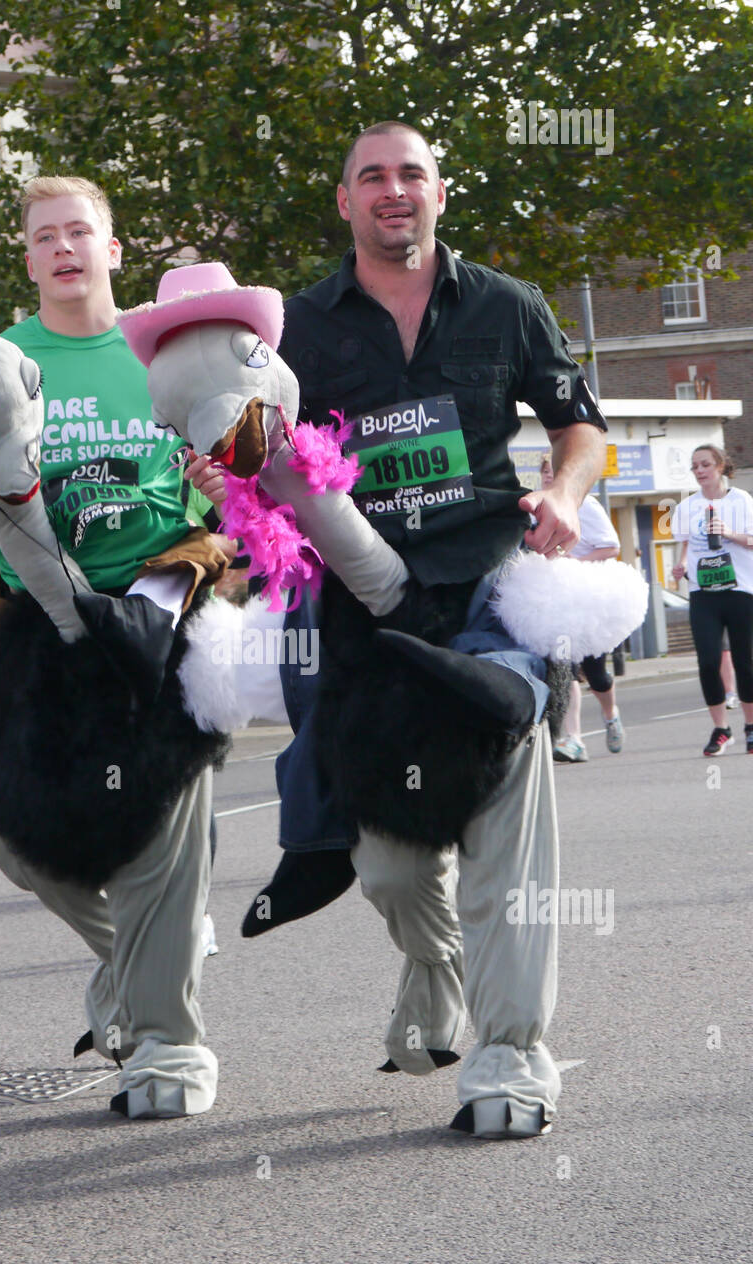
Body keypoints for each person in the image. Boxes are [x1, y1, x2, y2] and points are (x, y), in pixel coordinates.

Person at [258, 120, 608, 1139]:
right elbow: (257, 452)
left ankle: (510, 1055)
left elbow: (577, 425)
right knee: (393, 866)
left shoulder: (507, 305)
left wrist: (565, 489)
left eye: (411, 173)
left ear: (440, 193)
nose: (393, 190)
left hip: (492, 600)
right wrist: (227, 478)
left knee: (508, 839)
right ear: (345, 202)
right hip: (365, 617)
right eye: (371, 175)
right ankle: (437, 963)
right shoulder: (297, 328)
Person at [0, 175, 233, 1115]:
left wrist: (222, 477)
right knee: (24, 843)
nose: (63, 248)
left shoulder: (166, 350)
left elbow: (236, 476)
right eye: (44, 237)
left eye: (80, 232)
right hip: (42, 633)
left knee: (162, 841)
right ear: (28, 258)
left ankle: (170, 1050)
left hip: (160, 606)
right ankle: (142, 958)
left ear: (113, 247)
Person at [540, 454, 624, 762]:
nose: (548, 477)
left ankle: (610, 713)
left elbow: (612, 547)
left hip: (587, 599)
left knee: (596, 673)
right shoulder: (540, 509)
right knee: (565, 668)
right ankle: (573, 739)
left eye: (554, 471)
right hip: (558, 602)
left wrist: (575, 562)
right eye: (545, 472)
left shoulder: (586, 506)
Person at [671, 444, 753, 755]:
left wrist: (730, 534)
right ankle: (721, 729)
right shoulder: (687, 507)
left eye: (705, 464)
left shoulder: (741, 500)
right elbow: (684, 546)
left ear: (720, 466)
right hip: (703, 593)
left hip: (740, 590)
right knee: (708, 661)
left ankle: (750, 725)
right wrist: (679, 566)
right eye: (695, 466)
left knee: (745, 662)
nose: (699, 471)